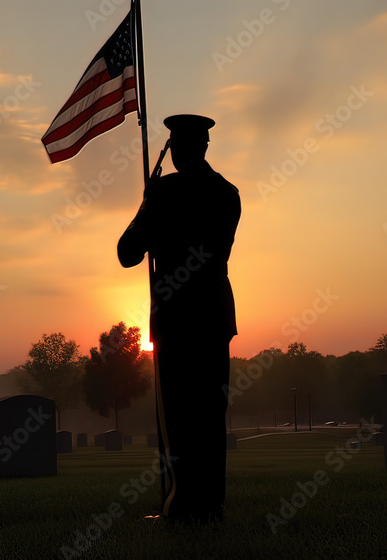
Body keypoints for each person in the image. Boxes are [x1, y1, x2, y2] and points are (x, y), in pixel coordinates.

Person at [117, 114, 241, 523]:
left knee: (179, 417)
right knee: (209, 415)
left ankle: (182, 507)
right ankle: (212, 506)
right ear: (204, 146)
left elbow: (127, 252)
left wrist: (146, 204)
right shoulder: (228, 193)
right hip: (214, 316)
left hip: (175, 316)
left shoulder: (165, 193)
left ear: (174, 151)